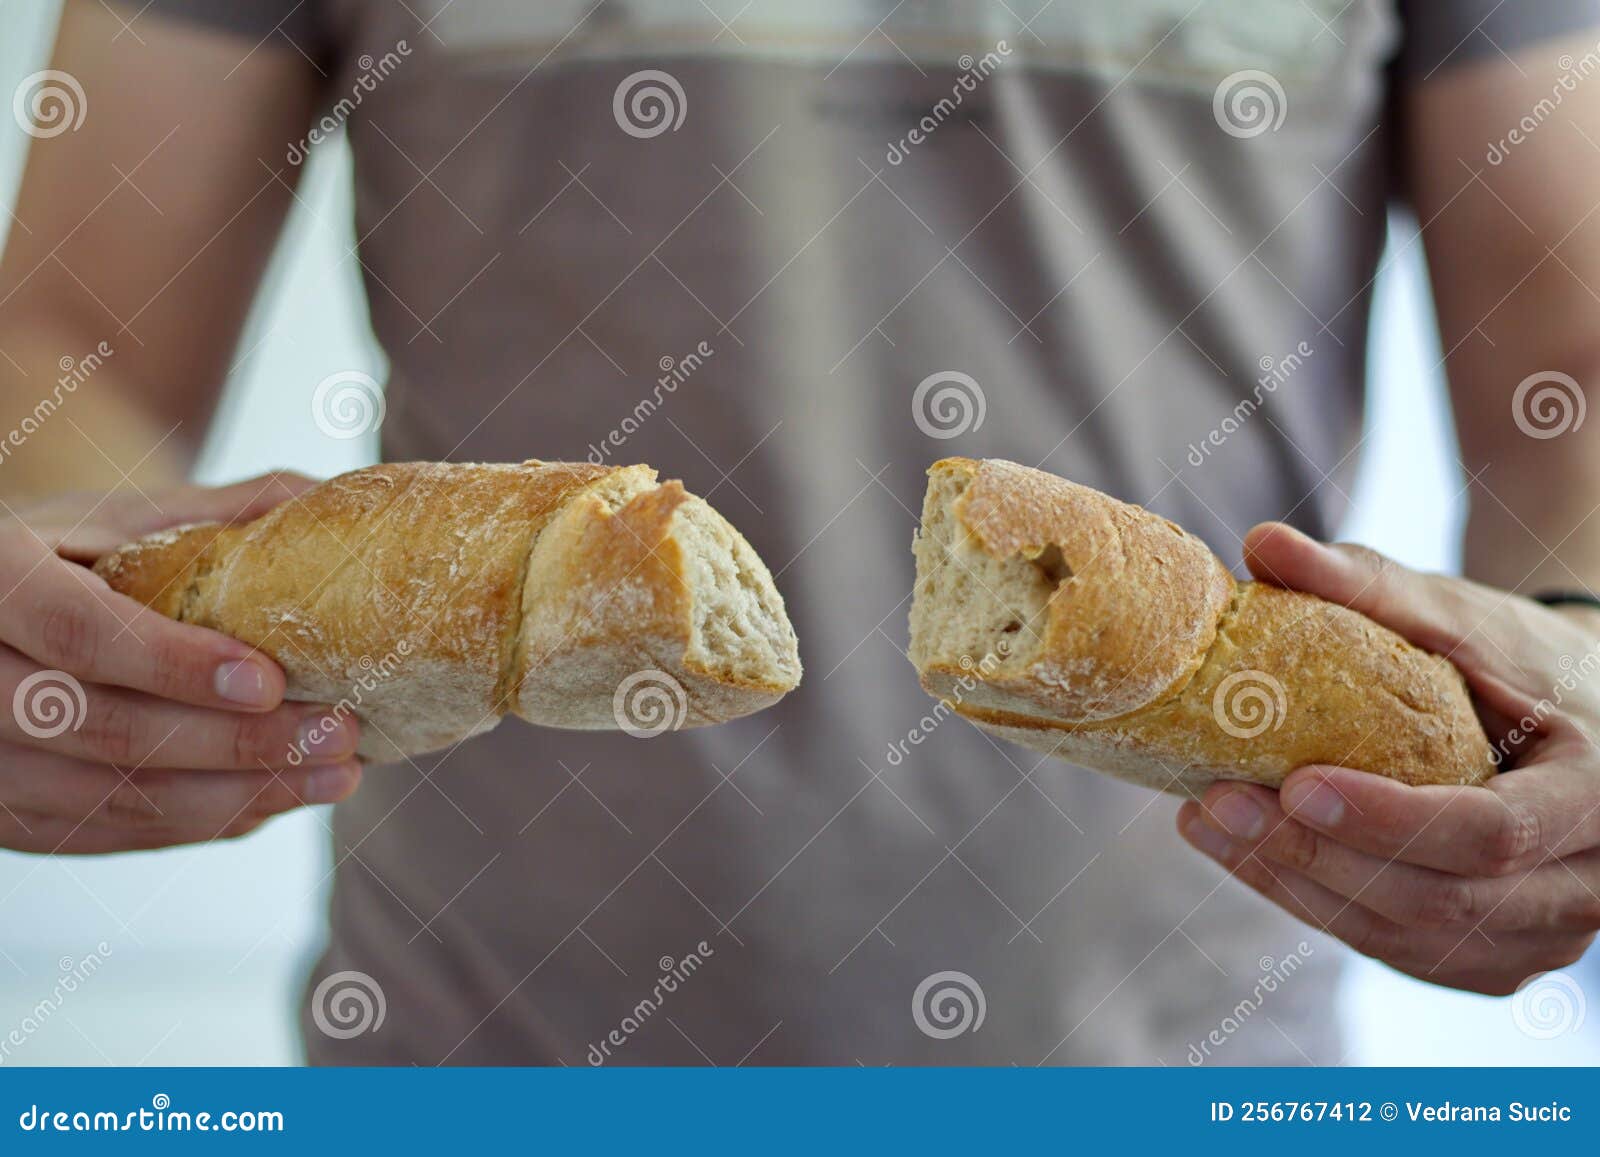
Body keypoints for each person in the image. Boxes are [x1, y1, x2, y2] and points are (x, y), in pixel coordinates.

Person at [2, 0, 1599, 1066]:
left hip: (1189, 1057)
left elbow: (1567, 361)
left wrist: (1581, 641)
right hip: (478, 1052)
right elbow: (73, 329)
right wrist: (49, 613)